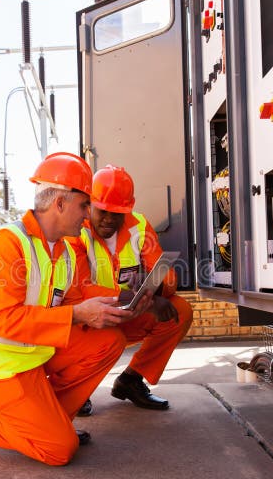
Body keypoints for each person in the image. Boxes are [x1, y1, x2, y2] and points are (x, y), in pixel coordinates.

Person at [0, 152, 151, 467]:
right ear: (60, 204)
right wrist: (80, 314)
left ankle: (48, 423)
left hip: (30, 356)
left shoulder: (62, 251)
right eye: (84, 205)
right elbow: (5, 321)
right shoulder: (5, 245)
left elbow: (75, 296)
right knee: (59, 450)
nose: (88, 214)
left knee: (109, 341)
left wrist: (122, 300)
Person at [71, 165, 193, 415]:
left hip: (127, 312)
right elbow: (79, 290)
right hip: (88, 320)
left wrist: (154, 288)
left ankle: (131, 380)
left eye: (116, 213)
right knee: (97, 334)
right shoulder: (75, 230)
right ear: (89, 204)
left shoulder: (138, 225)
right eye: (102, 211)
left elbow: (166, 274)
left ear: (127, 209)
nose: (108, 219)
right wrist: (137, 298)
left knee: (180, 310)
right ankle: (74, 389)